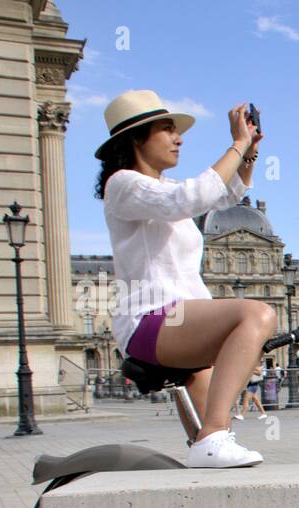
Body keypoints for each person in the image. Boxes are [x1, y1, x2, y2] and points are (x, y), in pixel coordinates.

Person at [97, 90, 269, 467]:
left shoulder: (162, 192)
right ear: (136, 137)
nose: (179, 138)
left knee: (216, 466)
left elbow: (223, 197)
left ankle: (208, 444)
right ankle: (212, 436)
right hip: (152, 321)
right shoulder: (123, 184)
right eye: (167, 129)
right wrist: (237, 144)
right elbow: (194, 197)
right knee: (257, 315)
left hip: (182, 321)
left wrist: (249, 148)